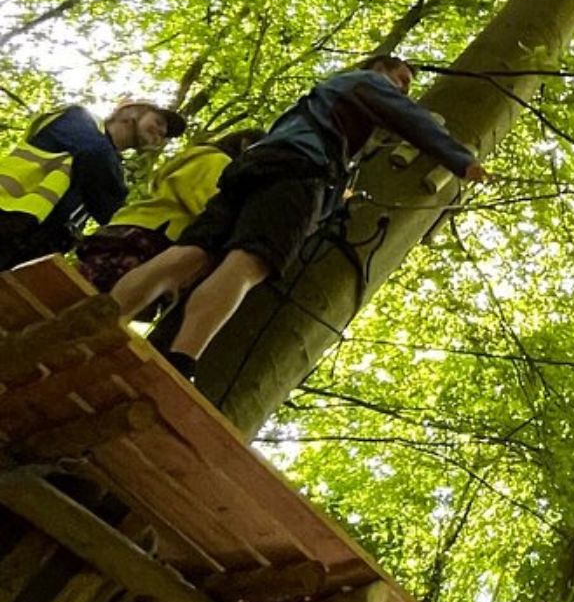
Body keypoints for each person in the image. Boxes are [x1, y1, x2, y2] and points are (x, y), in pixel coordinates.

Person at [109, 55, 489, 379]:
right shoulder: (367, 84)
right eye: (400, 79)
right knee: (249, 262)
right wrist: (462, 160)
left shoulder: (324, 101)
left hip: (253, 168)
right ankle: (180, 360)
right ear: (379, 69)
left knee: (194, 252)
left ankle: (106, 318)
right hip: (300, 174)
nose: (403, 89)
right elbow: (410, 118)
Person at [73, 127, 265, 292]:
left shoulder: (196, 156)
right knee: (93, 294)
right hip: (150, 233)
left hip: (133, 224)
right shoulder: (218, 161)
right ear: (246, 145)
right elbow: (199, 200)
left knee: (82, 286)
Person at [0, 100, 186, 270]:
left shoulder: (113, 170)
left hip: (38, 242)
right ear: (131, 111)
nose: (160, 133)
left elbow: (108, 210)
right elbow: (93, 154)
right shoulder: (79, 118)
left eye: (164, 135)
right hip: (8, 210)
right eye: (158, 122)